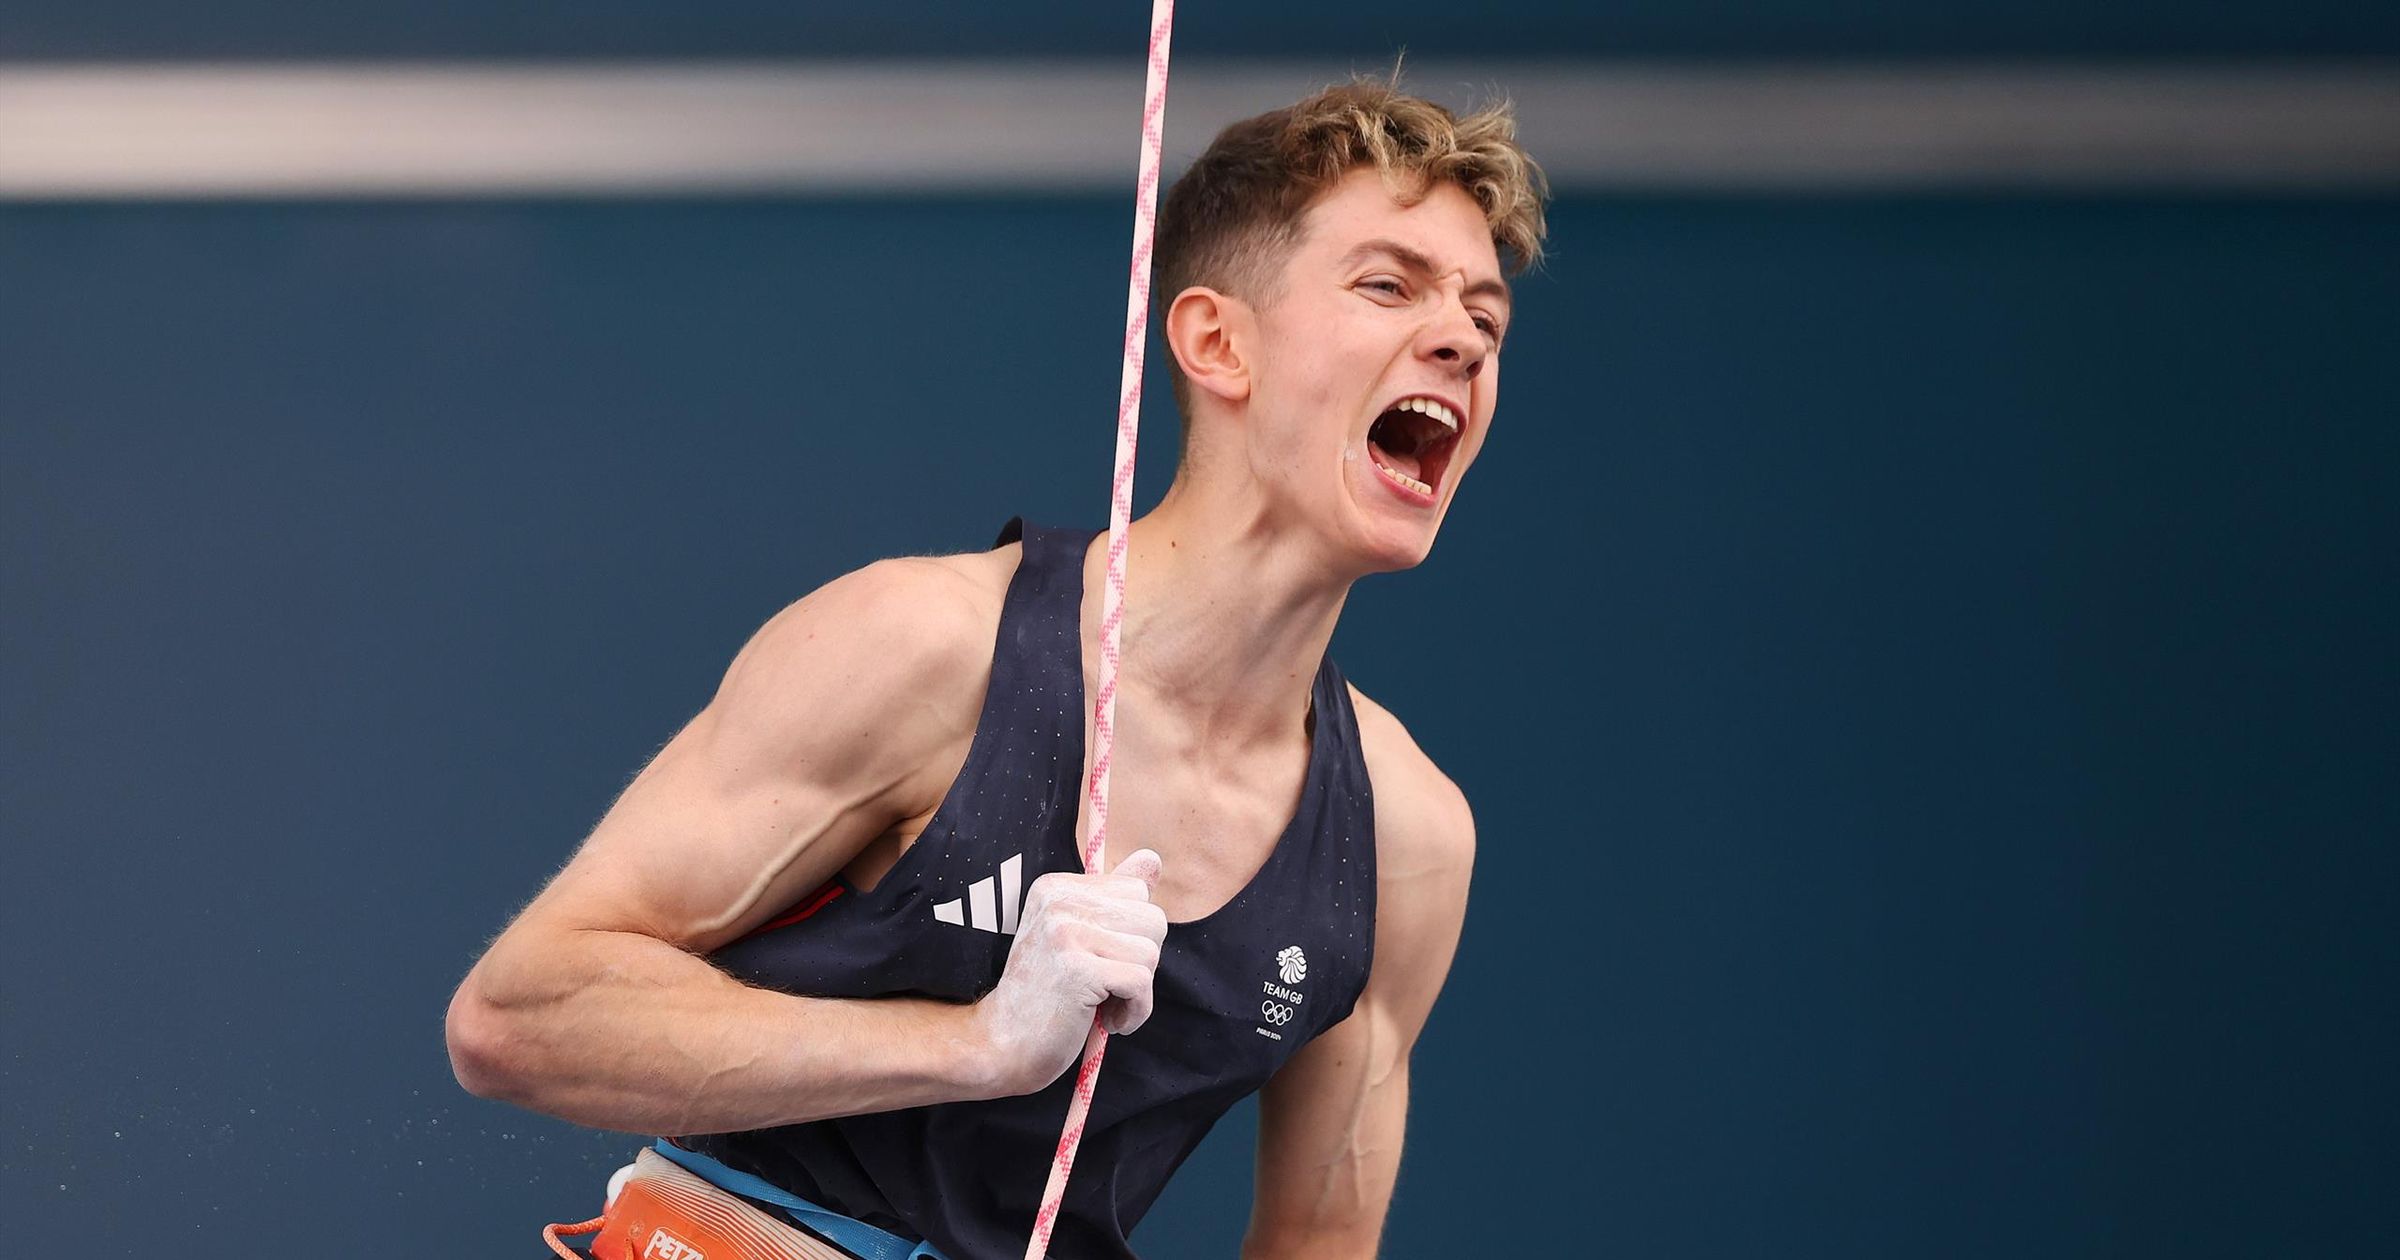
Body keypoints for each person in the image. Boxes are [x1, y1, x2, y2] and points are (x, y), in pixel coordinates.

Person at [446, 75, 1548, 1260]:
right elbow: (517, 1017)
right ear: (1217, 342)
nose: (1461, 340)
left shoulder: (1407, 838)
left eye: (1486, 319)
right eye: (1389, 285)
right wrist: (977, 1043)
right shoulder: (928, 649)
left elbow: (1319, 1240)